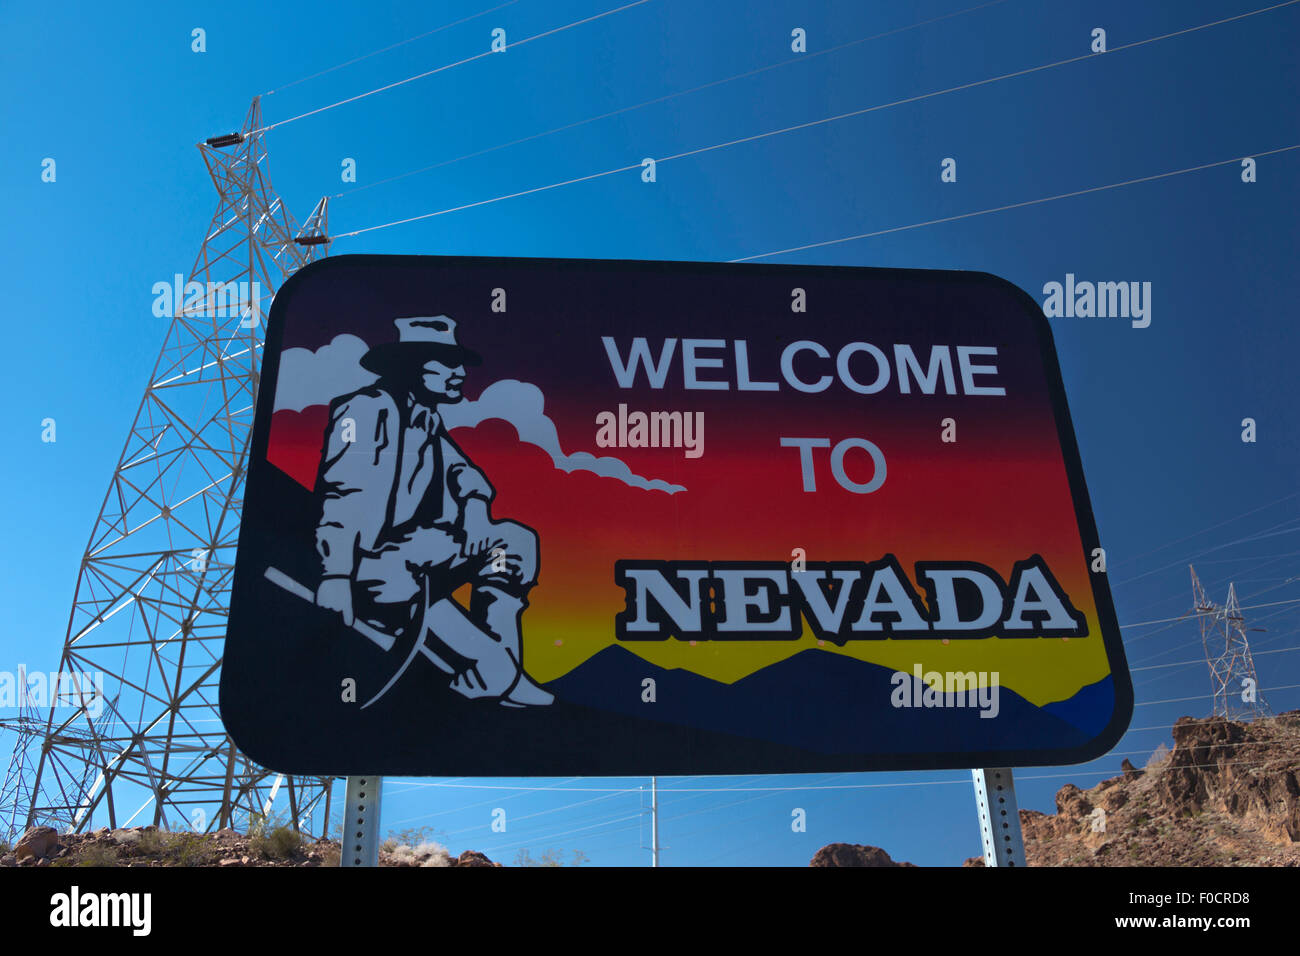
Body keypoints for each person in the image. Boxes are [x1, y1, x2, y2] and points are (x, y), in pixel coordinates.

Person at [312, 315, 552, 707]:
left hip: (418, 552)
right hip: (373, 567)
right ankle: (496, 674)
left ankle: (503, 668)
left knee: (513, 540)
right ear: (411, 364)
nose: (461, 373)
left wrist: (475, 510)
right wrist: (336, 575)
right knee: (490, 669)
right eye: (447, 363)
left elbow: (465, 472)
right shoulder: (365, 411)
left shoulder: (426, 419)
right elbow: (344, 493)